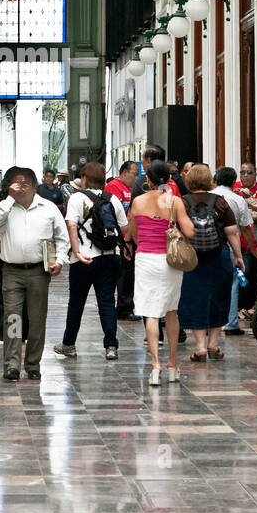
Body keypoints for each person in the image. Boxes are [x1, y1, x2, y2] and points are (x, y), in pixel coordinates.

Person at [0, 167, 69, 381]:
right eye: (15, 184)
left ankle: (33, 364)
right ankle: (12, 364)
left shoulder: (48, 208)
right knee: (12, 318)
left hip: (38, 271)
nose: (20, 188)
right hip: (11, 271)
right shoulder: (5, 208)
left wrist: (59, 260)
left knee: (36, 319)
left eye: (24, 184)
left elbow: (62, 238)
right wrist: (8, 198)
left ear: (34, 186)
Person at [125, 160, 195, 386]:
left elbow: (131, 233)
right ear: (169, 179)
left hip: (146, 259)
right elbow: (190, 231)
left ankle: (155, 366)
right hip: (170, 261)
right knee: (172, 311)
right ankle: (172, 364)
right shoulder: (175, 201)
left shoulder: (137, 202)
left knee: (151, 313)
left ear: (148, 179)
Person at [56, 160, 127, 361]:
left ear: (85, 179)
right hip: (110, 256)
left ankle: (68, 344)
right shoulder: (112, 199)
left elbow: (71, 225)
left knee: (76, 302)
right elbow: (124, 228)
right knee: (106, 302)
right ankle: (111, 346)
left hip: (84, 258)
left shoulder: (77, 198)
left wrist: (77, 252)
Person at [178, 164, 245, 363]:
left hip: (191, 259)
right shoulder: (220, 202)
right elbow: (232, 232)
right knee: (219, 298)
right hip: (219, 255)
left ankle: (199, 346)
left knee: (194, 299)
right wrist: (238, 256)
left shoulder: (183, 202)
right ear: (210, 180)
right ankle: (213, 344)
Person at [0, 167, 28, 343]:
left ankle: (7, 332)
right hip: (9, 254)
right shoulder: (7, 200)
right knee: (15, 294)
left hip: (0, 254)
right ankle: (17, 333)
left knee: (4, 293)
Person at [213, 166, 256, 337]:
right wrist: (251, 249)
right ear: (233, 182)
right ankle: (230, 323)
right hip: (230, 245)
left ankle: (211, 323)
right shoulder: (237, 200)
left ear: (216, 180)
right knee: (232, 283)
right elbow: (245, 228)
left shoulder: (208, 196)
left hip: (208, 244)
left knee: (210, 282)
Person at [103, 160, 139, 320]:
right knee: (124, 274)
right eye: (134, 174)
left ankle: (126, 305)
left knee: (129, 274)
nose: (136, 178)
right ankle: (124, 308)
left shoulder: (130, 188)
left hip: (129, 235)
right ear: (124, 172)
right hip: (120, 237)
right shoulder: (113, 187)